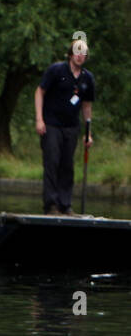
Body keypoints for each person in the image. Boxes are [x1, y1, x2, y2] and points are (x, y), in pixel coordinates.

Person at [35, 37, 94, 215]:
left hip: (71, 126)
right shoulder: (56, 70)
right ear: (70, 54)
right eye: (77, 52)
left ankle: (65, 204)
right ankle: (51, 205)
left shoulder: (87, 78)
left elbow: (86, 105)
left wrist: (88, 132)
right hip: (51, 124)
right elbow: (40, 91)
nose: (79, 56)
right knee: (52, 162)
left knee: (67, 165)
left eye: (83, 53)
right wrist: (39, 119)